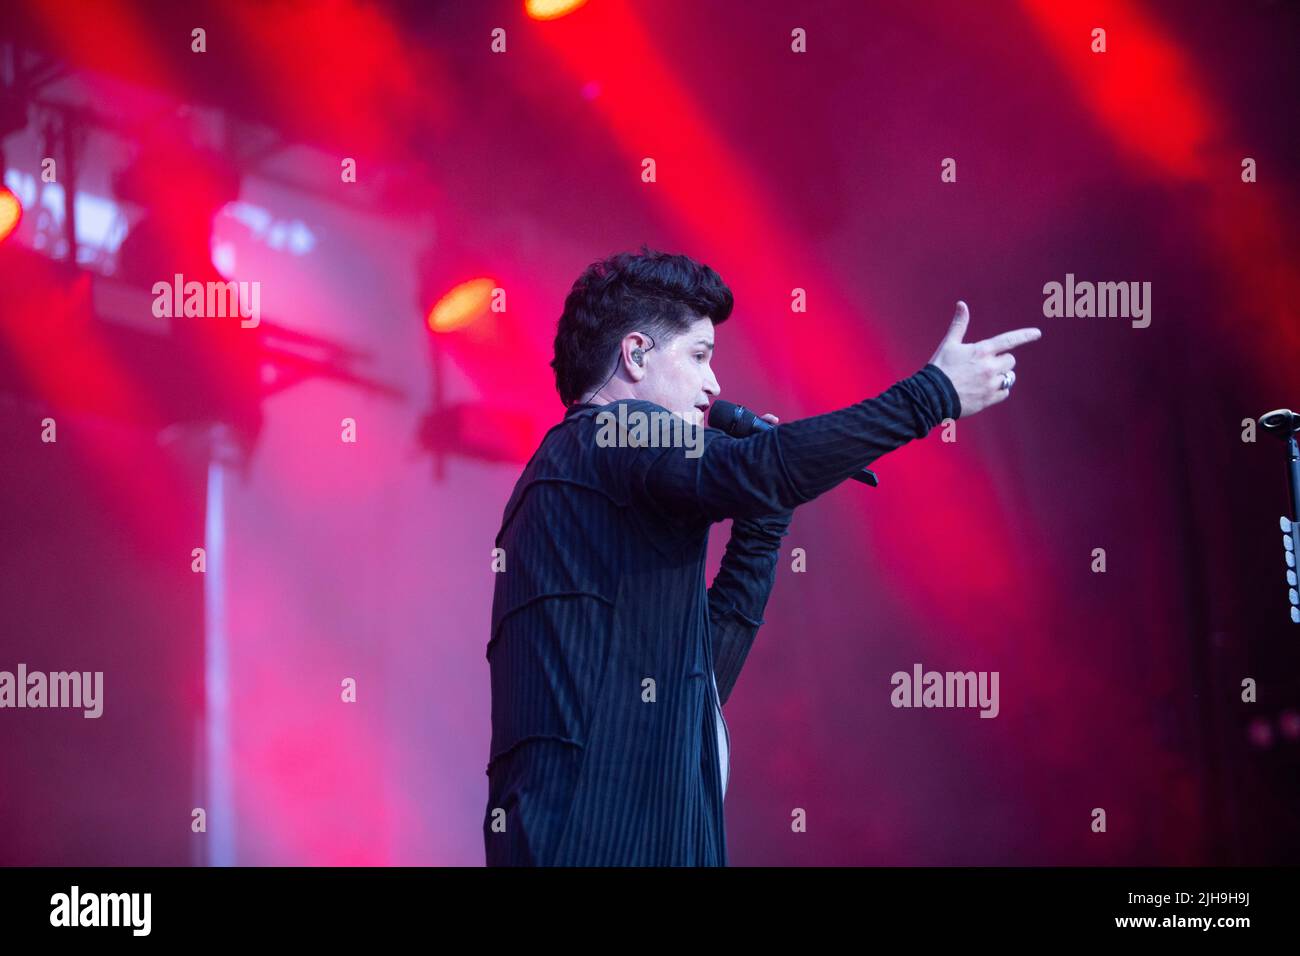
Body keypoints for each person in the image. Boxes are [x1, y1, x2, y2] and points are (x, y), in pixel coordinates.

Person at [484, 247, 1040, 865]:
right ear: (636, 356)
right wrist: (930, 395)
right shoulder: (608, 435)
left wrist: (763, 526)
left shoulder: (588, 479)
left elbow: (697, 685)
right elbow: (760, 469)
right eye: (698, 356)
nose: (714, 384)